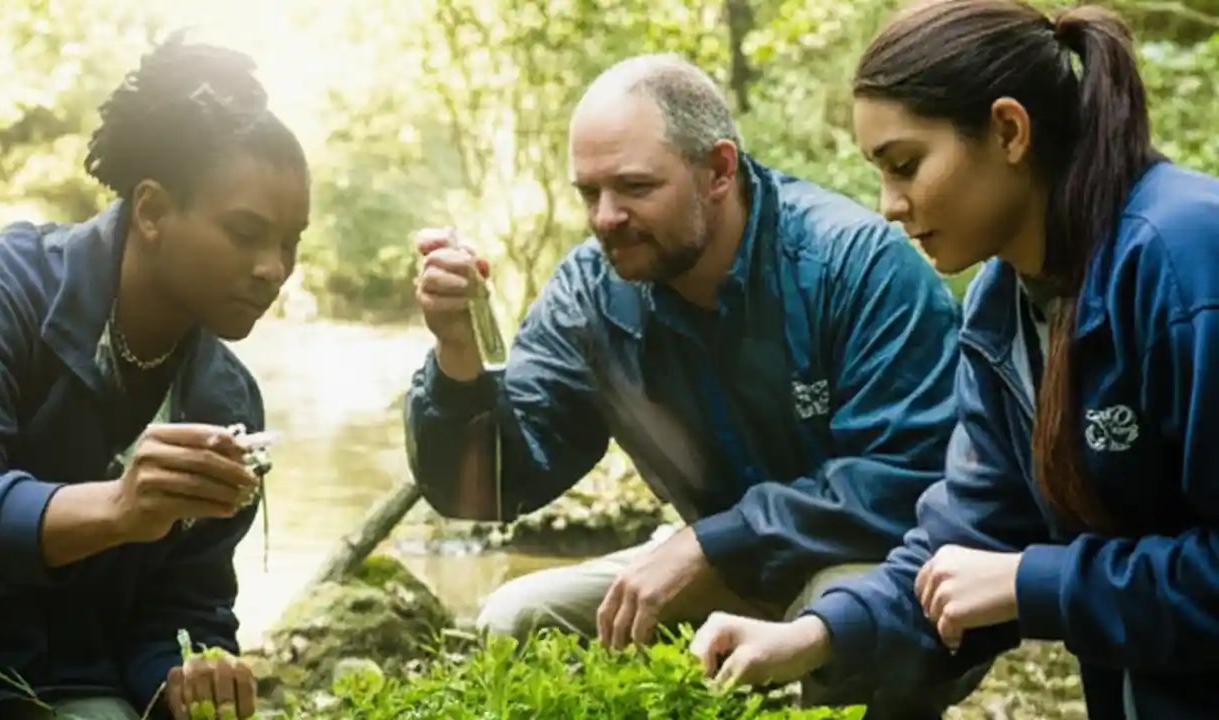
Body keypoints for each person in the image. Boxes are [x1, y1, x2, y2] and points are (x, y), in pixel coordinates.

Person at [690, 1, 1219, 718]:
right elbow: (963, 542)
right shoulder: (1001, 306)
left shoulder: (1185, 258)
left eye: (905, 164)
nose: (888, 205)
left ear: (1008, 131)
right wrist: (811, 636)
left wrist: (1038, 582)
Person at [404, 53, 962, 667]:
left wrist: (713, 542)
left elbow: (909, 477)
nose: (605, 218)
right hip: (725, 564)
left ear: (719, 171)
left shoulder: (855, 264)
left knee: (829, 608)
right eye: (589, 192)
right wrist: (456, 355)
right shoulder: (590, 296)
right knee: (517, 622)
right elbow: (497, 486)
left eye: (635, 188)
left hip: (880, 567)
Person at [0, 33, 309, 720]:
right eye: (245, 233)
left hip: (78, 691)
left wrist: (188, 675)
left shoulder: (228, 399)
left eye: (290, 243)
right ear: (152, 211)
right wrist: (115, 509)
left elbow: (184, 607)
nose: (274, 269)